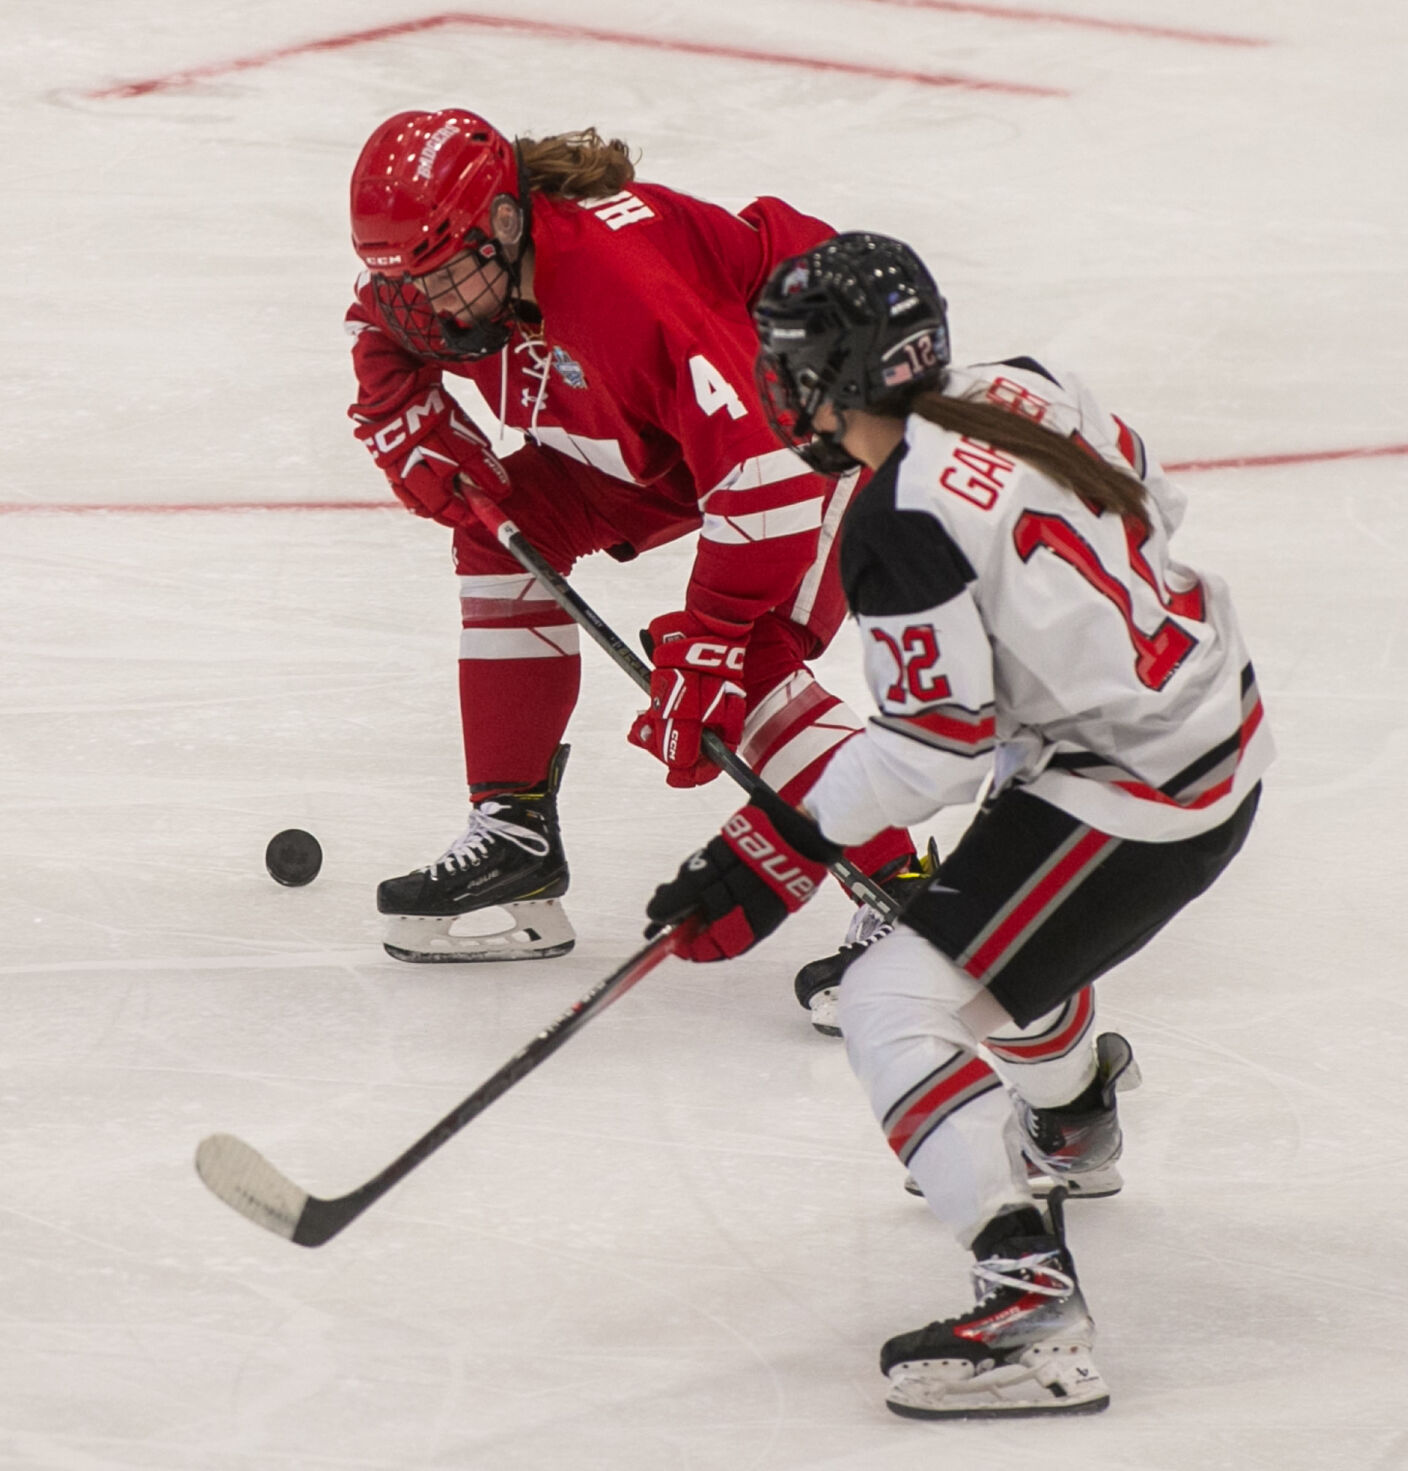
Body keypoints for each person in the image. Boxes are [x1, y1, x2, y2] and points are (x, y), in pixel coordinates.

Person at [646, 232, 1272, 1417]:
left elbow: (933, 748)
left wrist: (774, 836)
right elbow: (1149, 496)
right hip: (1195, 721)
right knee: (977, 940)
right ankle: (1075, 1120)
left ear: (833, 375)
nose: (775, 385)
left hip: (1140, 789)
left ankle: (1030, 1301)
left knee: (892, 995)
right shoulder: (1020, 383)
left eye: (785, 363)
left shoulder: (897, 514)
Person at [345, 109, 931, 1006]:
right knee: (503, 526)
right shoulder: (460, 275)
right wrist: (396, 405)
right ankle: (516, 836)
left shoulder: (619, 290)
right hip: (672, 435)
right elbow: (387, 327)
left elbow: (766, 485)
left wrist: (712, 636)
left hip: (820, 419)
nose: (426, 305)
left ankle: (913, 904)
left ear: (505, 225)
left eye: (441, 278)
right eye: (407, 280)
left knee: (752, 650)